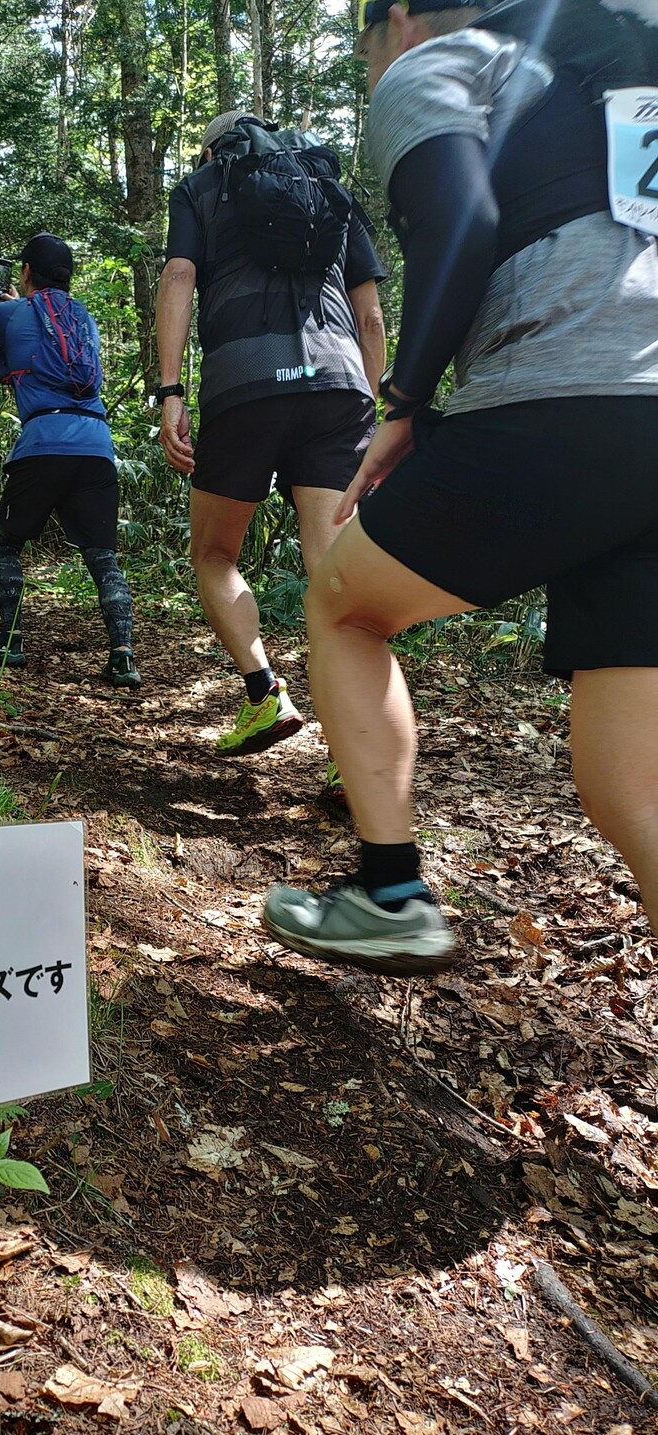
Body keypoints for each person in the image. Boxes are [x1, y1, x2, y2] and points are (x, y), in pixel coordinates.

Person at [262, 0, 658, 976]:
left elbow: (462, 223)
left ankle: (389, 891)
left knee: (342, 605)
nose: (365, 66)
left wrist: (401, 404)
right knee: (629, 794)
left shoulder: (439, 67)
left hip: (564, 389)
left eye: (360, 46)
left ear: (395, 20)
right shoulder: (612, 72)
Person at [156, 112, 386, 763]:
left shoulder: (203, 186)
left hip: (243, 385)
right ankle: (358, 754)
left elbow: (177, 278)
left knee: (214, 554)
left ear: (213, 150)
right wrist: (374, 414)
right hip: (339, 387)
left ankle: (264, 693)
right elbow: (368, 315)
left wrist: (170, 390)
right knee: (334, 570)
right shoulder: (327, 188)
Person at [0, 232, 141, 686]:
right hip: (96, 446)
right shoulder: (86, 318)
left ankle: (11, 639)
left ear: (25, 272)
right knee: (104, 558)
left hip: (41, 443)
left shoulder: (9, 311)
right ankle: (122, 655)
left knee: (7, 546)